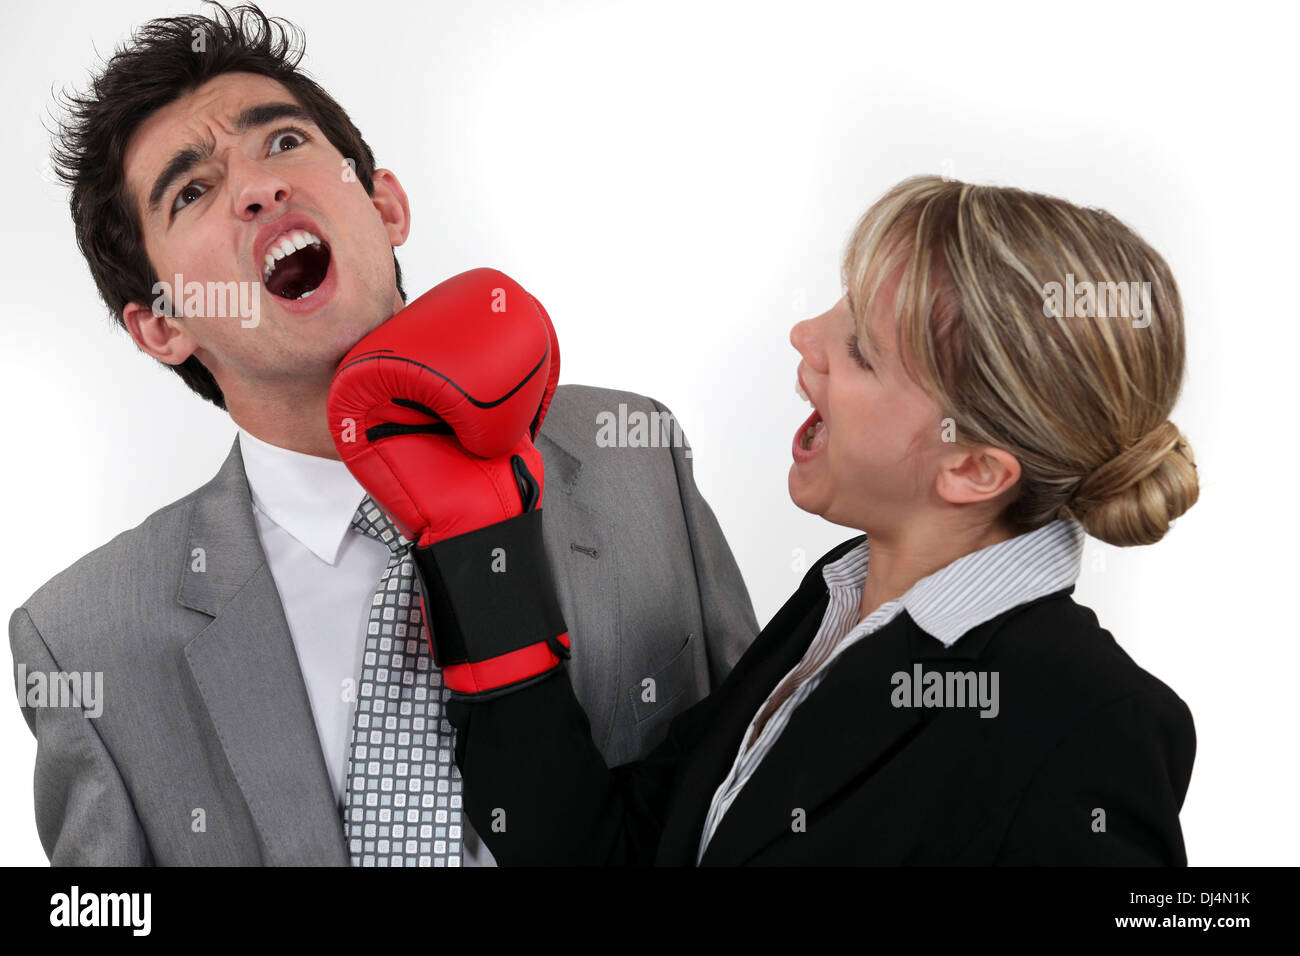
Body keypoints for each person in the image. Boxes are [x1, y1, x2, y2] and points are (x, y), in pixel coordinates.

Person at [8, 3, 758, 866]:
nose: (260, 187)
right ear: (162, 328)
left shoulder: (636, 458)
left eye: (283, 142)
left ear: (386, 205)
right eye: (193, 191)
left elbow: (763, 784)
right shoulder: (86, 640)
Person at [384, 174, 1199, 865]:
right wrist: (481, 550)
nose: (804, 336)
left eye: (861, 352)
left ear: (973, 468)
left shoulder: (1093, 723)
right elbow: (608, 850)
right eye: (839, 309)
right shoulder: (837, 602)